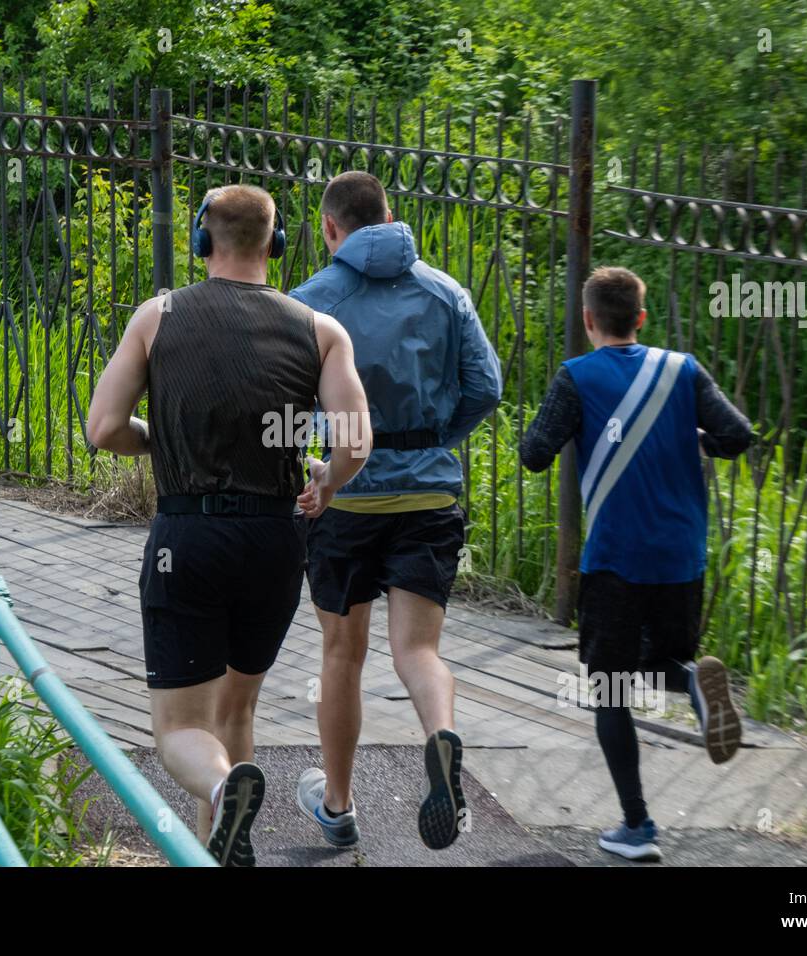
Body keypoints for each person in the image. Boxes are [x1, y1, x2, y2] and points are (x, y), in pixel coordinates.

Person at [85, 184, 370, 866]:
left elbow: (102, 429)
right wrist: (325, 485)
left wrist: (164, 441)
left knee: (181, 727)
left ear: (201, 240)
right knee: (236, 708)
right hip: (276, 541)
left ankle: (221, 786)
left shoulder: (157, 317)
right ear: (276, 244)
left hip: (188, 538)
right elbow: (356, 439)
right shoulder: (320, 329)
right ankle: (222, 849)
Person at [289, 171, 502, 851]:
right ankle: (440, 737)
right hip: (430, 494)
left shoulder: (311, 303)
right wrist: (435, 441)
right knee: (417, 649)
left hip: (346, 496)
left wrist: (315, 463)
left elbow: (287, 407)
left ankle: (339, 805)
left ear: (331, 228)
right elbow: (485, 387)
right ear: (390, 215)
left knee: (342, 654)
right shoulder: (445, 292)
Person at [519, 265, 754, 862]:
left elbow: (534, 454)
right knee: (662, 661)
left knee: (609, 689)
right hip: (680, 557)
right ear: (641, 319)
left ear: (589, 319)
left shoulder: (577, 376)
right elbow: (738, 435)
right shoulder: (683, 369)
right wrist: (690, 437)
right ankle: (700, 692)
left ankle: (638, 826)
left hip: (615, 559)